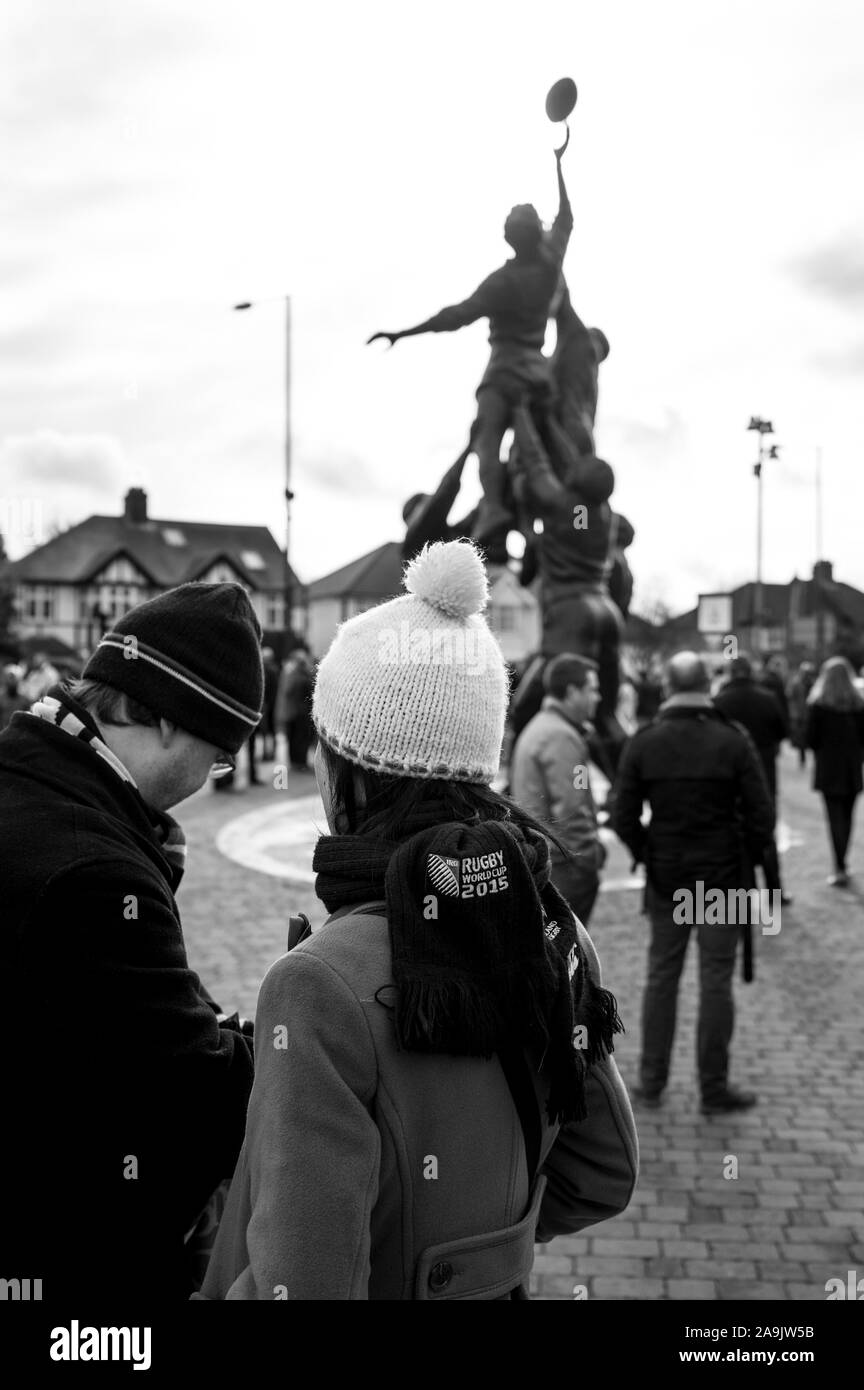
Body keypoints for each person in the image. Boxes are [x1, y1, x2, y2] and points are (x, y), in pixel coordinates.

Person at [198, 540, 637, 1300]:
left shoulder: (320, 985)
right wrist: (482, 1256)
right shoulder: (549, 925)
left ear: (347, 773)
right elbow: (601, 1173)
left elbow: (300, 1283)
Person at [0, 582, 261, 1301]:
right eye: (218, 757)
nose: (207, 780)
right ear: (171, 719)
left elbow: (130, 1011)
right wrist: (287, 1041)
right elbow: (194, 1092)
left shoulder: (30, 772)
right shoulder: (95, 870)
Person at [368, 133, 573, 560]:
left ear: (509, 237)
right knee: (546, 452)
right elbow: (567, 219)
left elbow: (454, 316)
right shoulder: (551, 264)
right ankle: (549, 517)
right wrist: (559, 166)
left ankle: (498, 507)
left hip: (503, 370)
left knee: (487, 443)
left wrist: (402, 333)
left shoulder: (501, 282)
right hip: (537, 373)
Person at [611, 651, 775, 1114]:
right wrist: (743, 852)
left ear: (667, 687)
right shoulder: (733, 740)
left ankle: (651, 1082)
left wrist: (647, 852)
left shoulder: (645, 741)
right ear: (707, 686)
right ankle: (713, 1087)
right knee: (716, 981)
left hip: (668, 877)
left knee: (662, 977)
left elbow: (623, 816)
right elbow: (762, 817)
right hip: (723, 878)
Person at [510, 653, 606, 926]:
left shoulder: (545, 728)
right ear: (572, 692)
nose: (598, 697)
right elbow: (573, 805)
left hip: (550, 857)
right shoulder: (561, 736)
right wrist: (589, 857)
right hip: (564, 865)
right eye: (592, 689)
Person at [713, 653, 790, 905]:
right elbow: (783, 731)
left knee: (733, 833)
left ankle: (739, 893)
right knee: (766, 830)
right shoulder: (767, 699)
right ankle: (774, 890)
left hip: (728, 778)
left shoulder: (719, 702)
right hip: (764, 773)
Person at [804, 655, 864, 887]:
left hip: (828, 769)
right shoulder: (858, 705)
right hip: (851, 768)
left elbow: (811, 739)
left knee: (834, 818)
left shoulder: (819, 706)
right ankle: (842, 863)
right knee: (848, 818)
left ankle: (838, 864)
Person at [402, 430, 480, 564]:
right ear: (414, 513)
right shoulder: (415, 540)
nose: (431, 501)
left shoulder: (441, 539)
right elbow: (443, 495)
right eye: (427, 502)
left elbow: (462, 533)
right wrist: (468, 448)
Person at [788, 659, 817, 767]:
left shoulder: (814, 684)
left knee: (812, 736)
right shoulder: (796, 683)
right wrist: (794, 712)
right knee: (801, 738)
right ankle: (802, 758)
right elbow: (790, 697)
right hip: (800, 714)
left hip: (810, 714)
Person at [0, 662, 29, 729]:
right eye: (9, 678)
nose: (11, 681)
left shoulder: (25, 701)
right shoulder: (1, 699)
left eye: (13, 678)